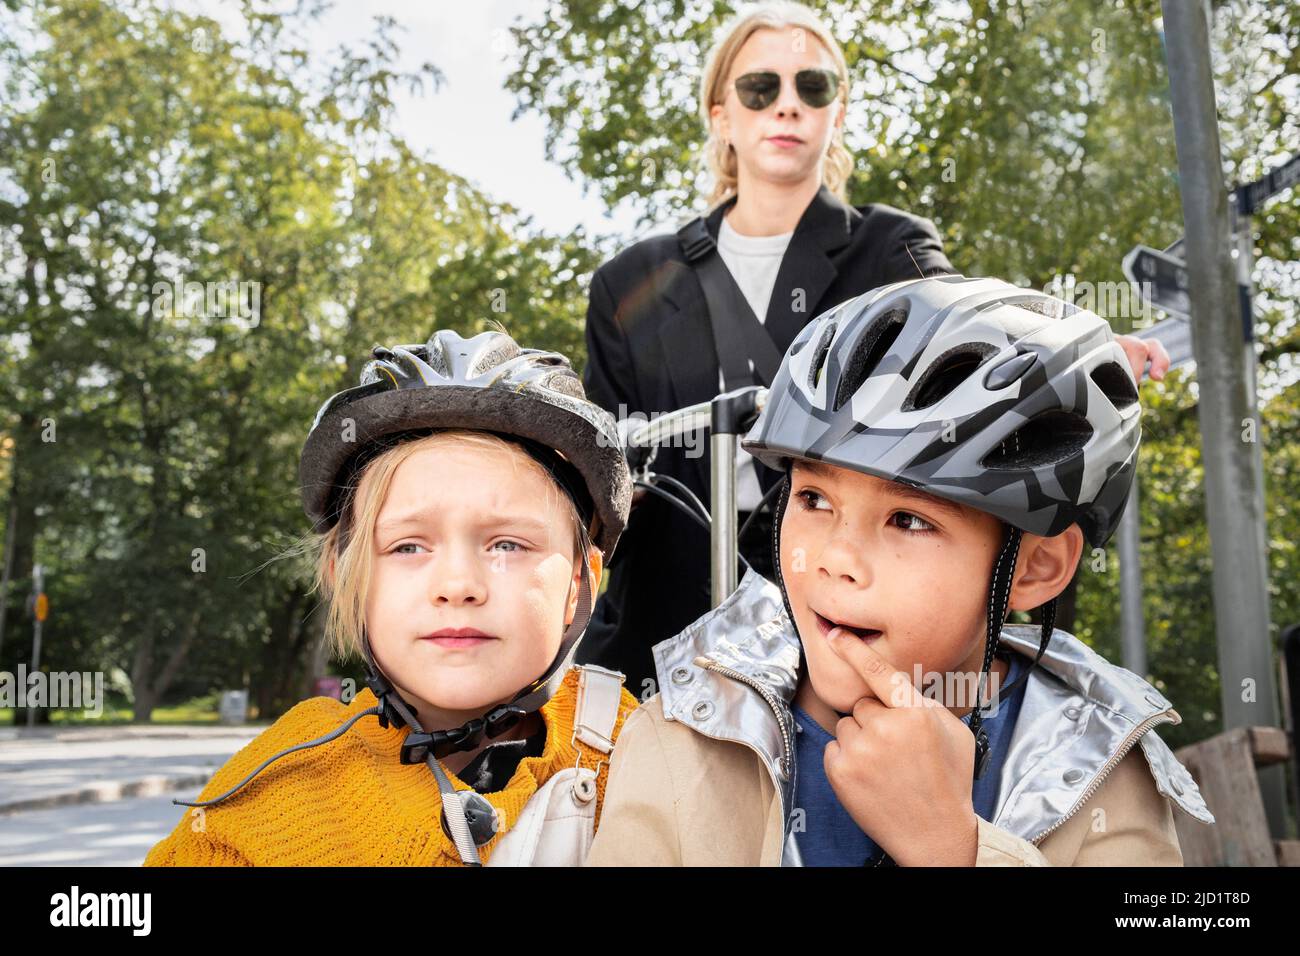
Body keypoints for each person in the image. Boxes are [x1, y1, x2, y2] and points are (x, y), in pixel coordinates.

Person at [577, 1, 1170, 697]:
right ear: (721, 114)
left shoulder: (890, 247)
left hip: (838, 605)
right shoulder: (630, 281)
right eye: (761, 89)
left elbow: (970, 334)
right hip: (666, 616)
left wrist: (1073, 350)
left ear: (838, 111)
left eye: (814, 87)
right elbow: (603, 462)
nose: (788, 107)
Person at [586, 275, 1213, 866]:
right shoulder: (679, 738)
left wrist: (950, 846)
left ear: (1035, 567)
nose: (835, 559)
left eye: (909, 521)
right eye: (813, 500)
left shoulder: (1102, 770)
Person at [144, 329, 638, 866]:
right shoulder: (273, 793)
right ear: (344, 578)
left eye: (507, 544)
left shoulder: (652, 760)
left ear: (578, 580)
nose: (457, 586)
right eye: (407, 546)